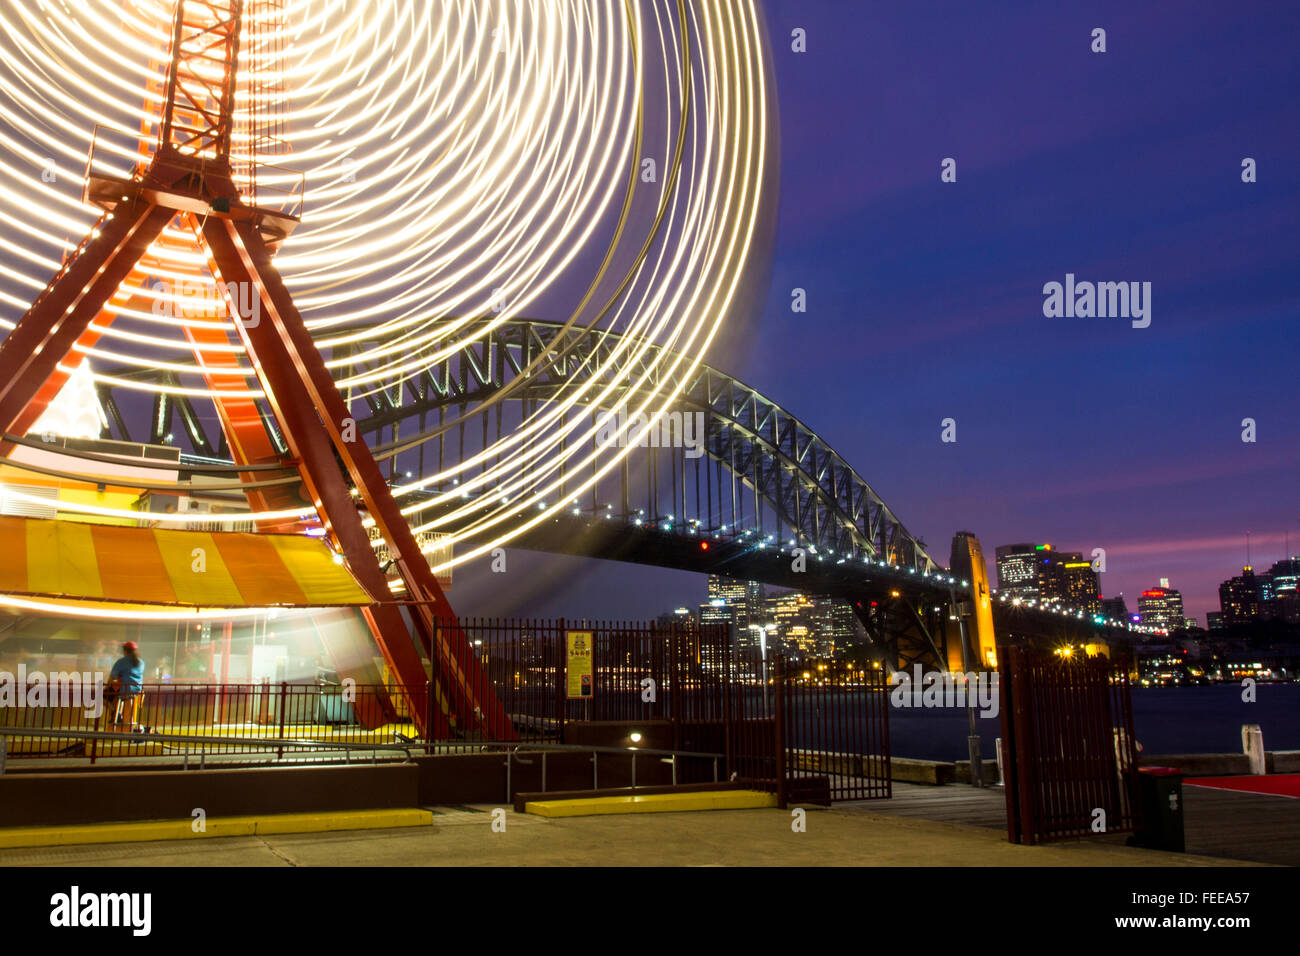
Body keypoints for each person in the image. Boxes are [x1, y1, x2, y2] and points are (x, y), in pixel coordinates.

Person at [108, 641, 149, 735]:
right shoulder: (141, 662)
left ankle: (116, 712)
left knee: (106, 695)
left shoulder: (121, 662)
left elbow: (111, 678)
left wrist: (111, 684)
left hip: (125, 690)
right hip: (138, 691)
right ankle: (121, 715)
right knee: (121, 698)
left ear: (125, 651)